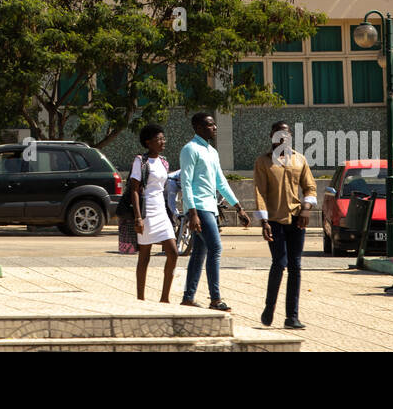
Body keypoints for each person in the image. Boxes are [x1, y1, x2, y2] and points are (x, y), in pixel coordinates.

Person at [179, 112, 250, 311]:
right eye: (210, 125)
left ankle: (188, 297)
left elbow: (221, 182)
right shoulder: (190, 149)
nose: (215, 128)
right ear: (199, 128)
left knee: (199, 253)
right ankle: (215, 299)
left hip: (210, 207)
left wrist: (238, 207)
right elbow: (185, 182)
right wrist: (191, 213)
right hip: (198, 208)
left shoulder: (211, 151)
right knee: (216, 248)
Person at [254, 121, 318, 329]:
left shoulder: (299, 159)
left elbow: (310, 187)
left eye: (286, 133)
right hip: (274, 220)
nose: (282, 137)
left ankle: (292, 316)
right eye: (278, 133)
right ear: (271, 136)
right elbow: (260, 193)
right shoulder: (263, 162)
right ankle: (269, 307)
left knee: (296, 266)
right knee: (279, 263)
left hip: (296, 219)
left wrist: (307, 208)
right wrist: (264, 221)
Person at [129, 123, 177, 302]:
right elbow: (134, 189)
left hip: (161, 210)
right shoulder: (140, 161)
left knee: (173, 252)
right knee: (145, 254)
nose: (163, 142)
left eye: (163, 138)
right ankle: (140, 298)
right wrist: (138, 217)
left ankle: (165, 297)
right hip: (146, 211)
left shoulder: (164, 161)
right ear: (148, 142)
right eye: (159, 139)